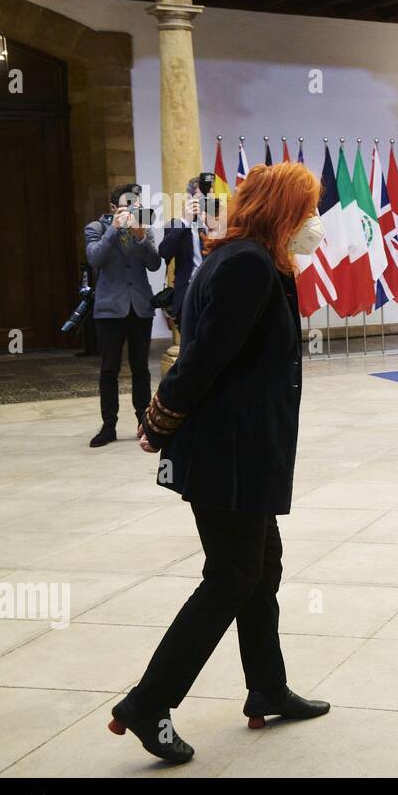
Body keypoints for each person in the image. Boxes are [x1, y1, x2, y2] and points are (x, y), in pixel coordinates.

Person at [114, 162, 331, 764]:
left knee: (262, 563)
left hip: (247, 448)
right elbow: (204, 356)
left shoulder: (255, 259)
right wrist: (159, 417)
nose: (315, 222)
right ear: (280, 210)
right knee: (233, 574)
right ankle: (148, 703)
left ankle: (266, 686)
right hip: (227, 451)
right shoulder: (246, 265)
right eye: (307, 209)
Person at [84, 183, 162, 448]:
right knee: (109, 369)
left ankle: (144, 422)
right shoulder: (96, 228)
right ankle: (108, 426)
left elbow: (154, 263)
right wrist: (115, 229)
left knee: (141, 368)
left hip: (140, 307)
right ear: (113, 207)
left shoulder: (144, 227)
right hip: (110, 310)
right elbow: (95, 258)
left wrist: (140, 235)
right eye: (127, 205)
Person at [158, 174, 219, 329]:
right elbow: (164, 252)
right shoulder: (177, 225)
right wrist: (185, 221)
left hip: (216, 294)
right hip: (189, 295)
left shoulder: (220, 225)